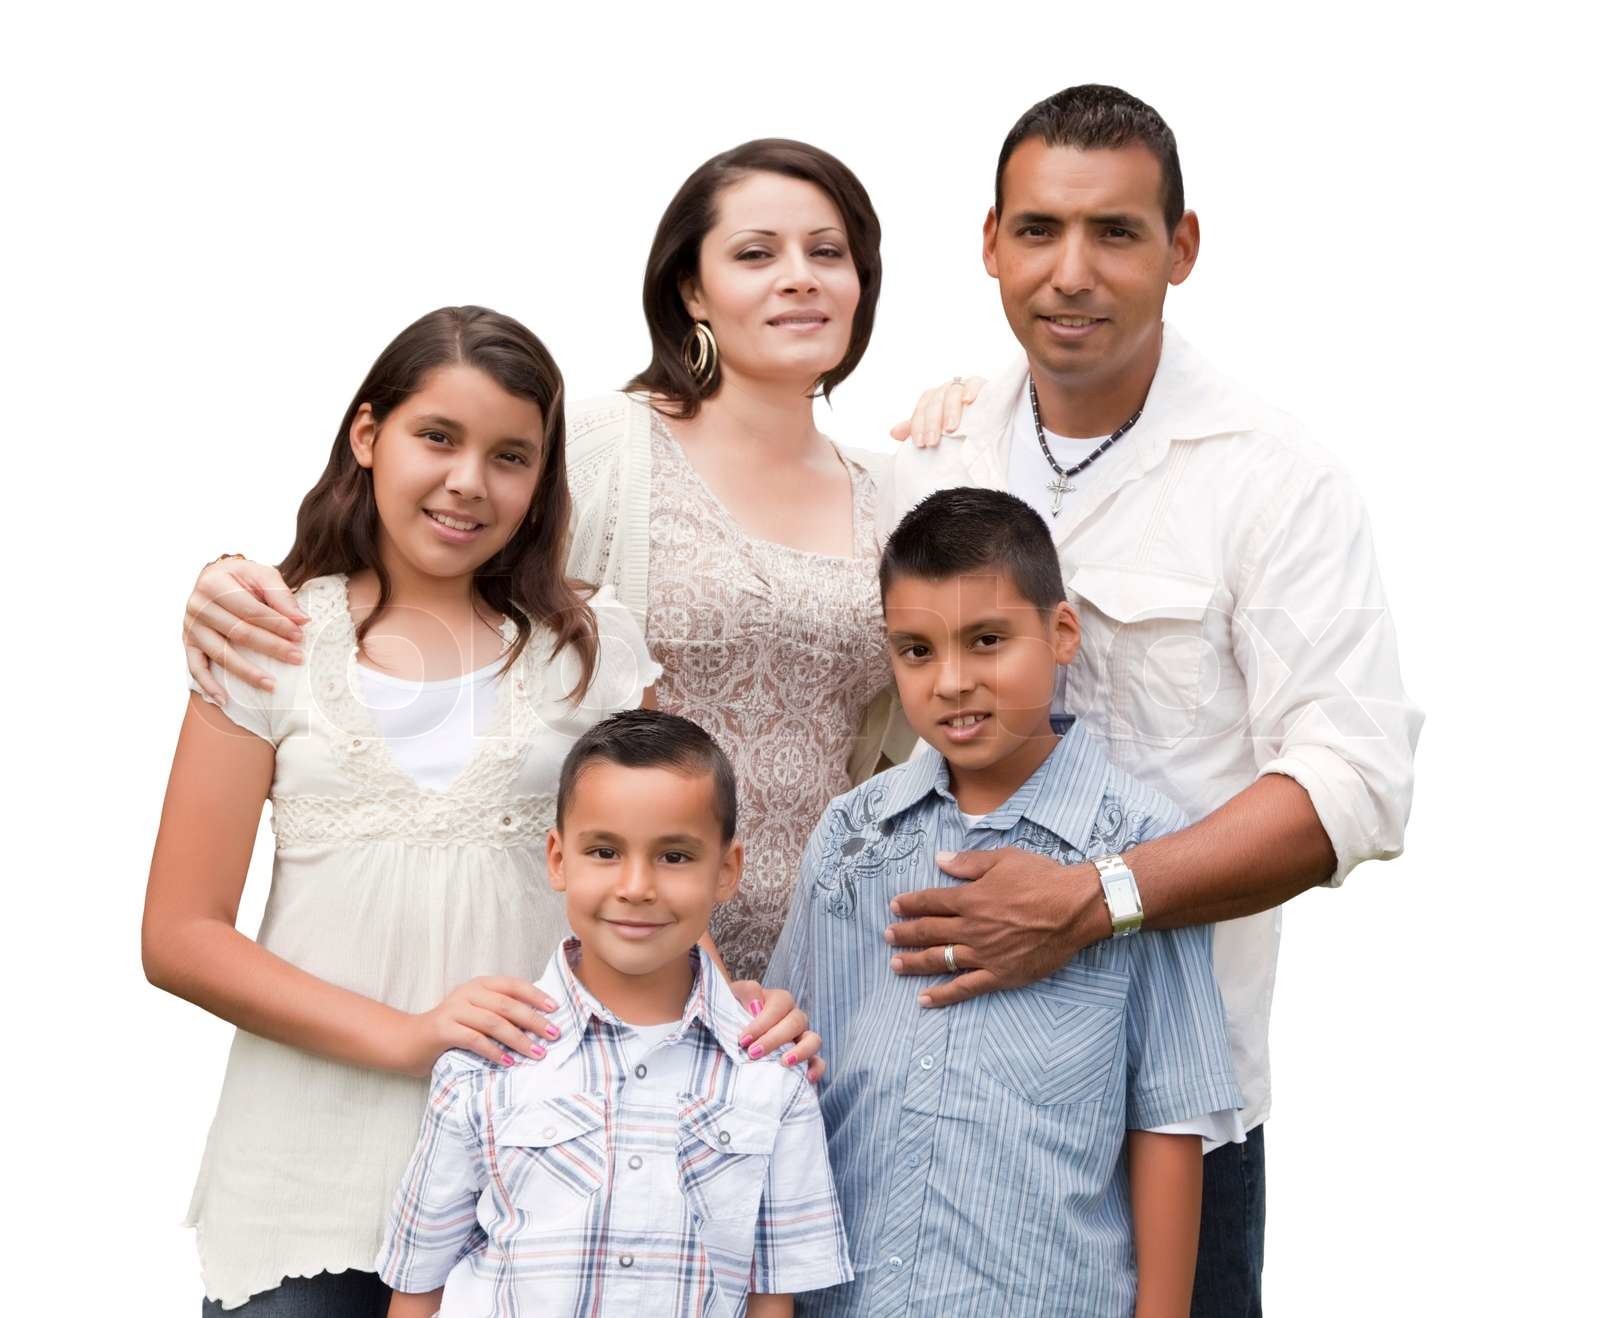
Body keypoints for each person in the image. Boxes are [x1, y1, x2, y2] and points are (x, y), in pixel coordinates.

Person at [143, 307, 814, 1315]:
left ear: (543, 482)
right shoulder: (269, 636)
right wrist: (408, 1035)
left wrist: (747, 1023)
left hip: (539, 1189)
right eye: (437, 438)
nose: (469, 481)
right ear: (368, 437)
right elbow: (179, 936)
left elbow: (647, 873)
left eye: (511, 456)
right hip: (302, 1178)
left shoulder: (588, 648)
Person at [882, 85, 1424, 1314]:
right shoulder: (929, 455)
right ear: (988, 244)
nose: (1070, 273)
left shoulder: (1273, 481)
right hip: (935, 1089)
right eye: (1037, 231)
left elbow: (1355, 784)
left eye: (1116, 232)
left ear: (1181, 248)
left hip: (1169, 1109)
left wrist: (1094, 902)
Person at [179, 138, 907, 986]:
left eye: (829, 253)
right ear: (691, 289)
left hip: (829, 958)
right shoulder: (602, 449)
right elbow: (434, 551)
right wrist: (235, 577)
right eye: (756, 253)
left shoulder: (900, 492)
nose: (800, 277)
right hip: (603, 965)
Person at [768, 488, 1240, 1317]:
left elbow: (1167, 1117)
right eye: (915, 651)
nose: (952, 682)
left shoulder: (1143, 848)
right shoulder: (852, 835)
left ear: (1061, 634)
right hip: (849, 1295)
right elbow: (787, 1079)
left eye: (987, 641)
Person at [380, 709, 852, 1317]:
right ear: (557, 859)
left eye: (675, 857)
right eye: (604, 851)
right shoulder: (485, 1063)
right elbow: (419, 1283)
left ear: (727, 870)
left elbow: (771, 1298)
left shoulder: (773, 1076)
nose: (636, 886)